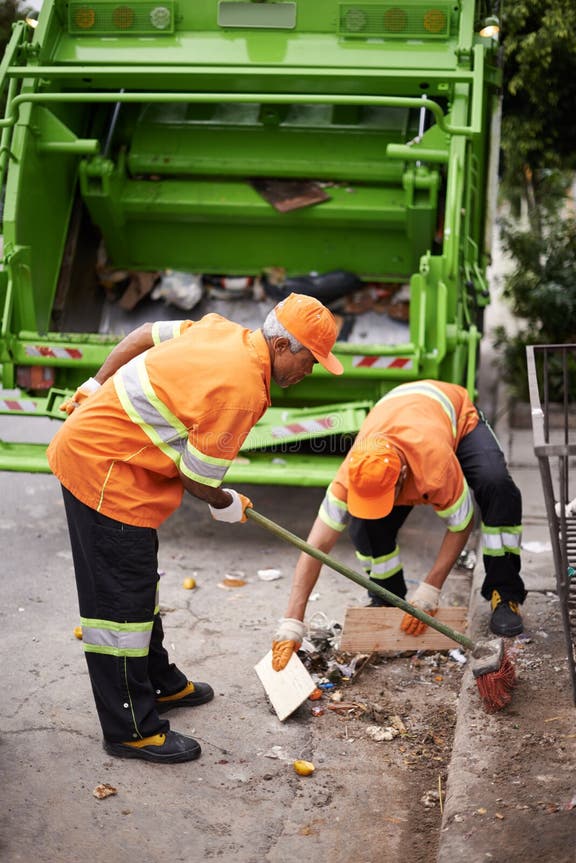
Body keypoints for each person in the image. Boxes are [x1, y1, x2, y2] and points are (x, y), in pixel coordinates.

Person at [47, 294, 343, 764]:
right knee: (119, 608)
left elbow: (143, 333)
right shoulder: (244, 390)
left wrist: (93, 384)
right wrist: (226, 504)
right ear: (284, 345)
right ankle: (131, 729)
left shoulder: (221, 328)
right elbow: (197, 478)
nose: (310, 371)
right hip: (104, 473)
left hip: (109, 461)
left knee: (138, 584)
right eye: (310, 359)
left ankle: (160, 683)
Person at [271, 379, 525, 672]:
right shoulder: (349, 474)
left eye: (383, 496)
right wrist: (292, 621)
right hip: (397, 411)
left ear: (403, 476)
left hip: (454, 414)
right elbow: (314, 547)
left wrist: (430, 590)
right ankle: (387, 598)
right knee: (363, 525)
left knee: (496, 484)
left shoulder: (435, 466)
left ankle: (504, 595)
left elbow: (461, 524)